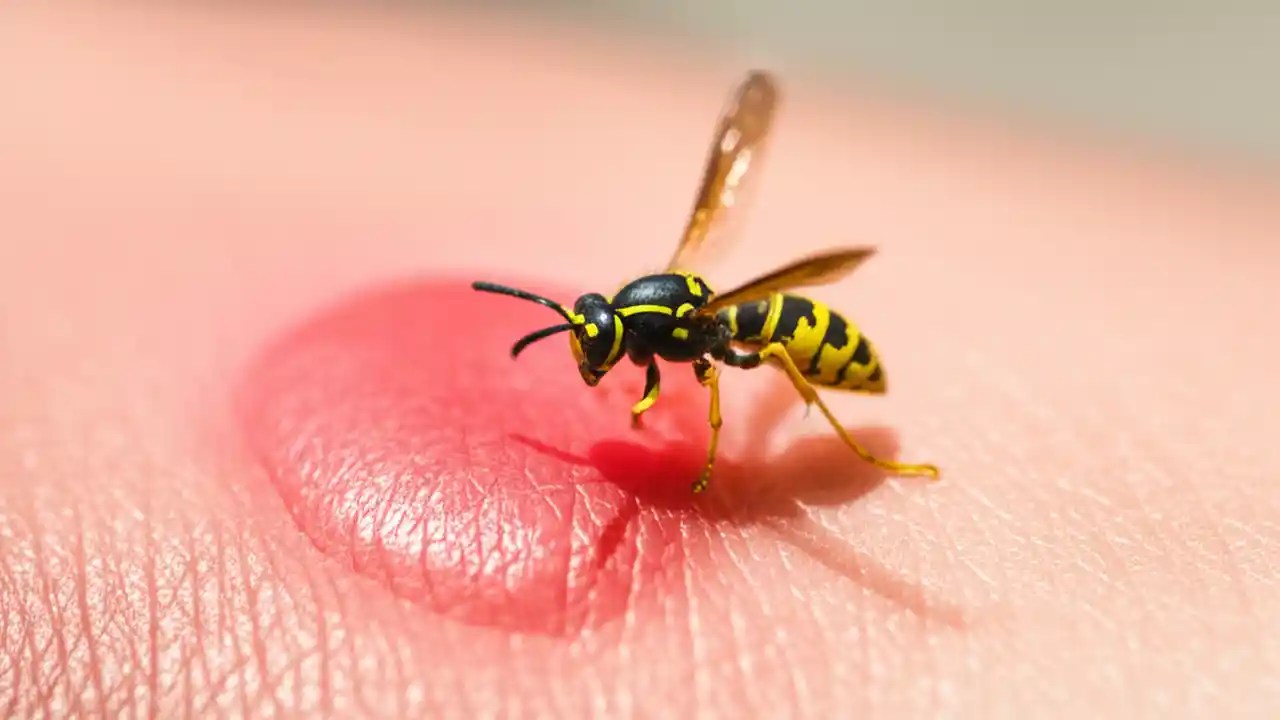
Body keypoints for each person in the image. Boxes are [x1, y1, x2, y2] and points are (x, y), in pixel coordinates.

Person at [2, 2, 1277, 717]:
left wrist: (720, 457)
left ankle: (842, 442)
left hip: (803, 353)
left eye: (607, 342)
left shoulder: (692, 346)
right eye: (604, 339)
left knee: (775, 354)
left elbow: (717, 371)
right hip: (741, 335)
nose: (604, 357)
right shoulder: (648, 323)